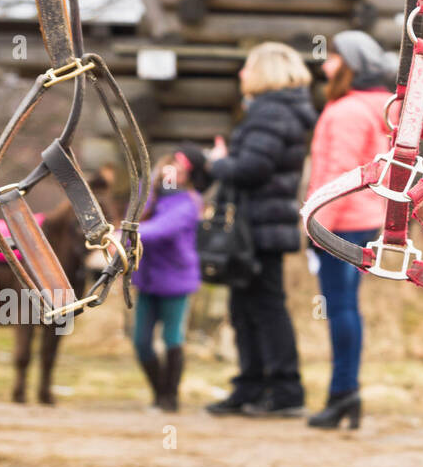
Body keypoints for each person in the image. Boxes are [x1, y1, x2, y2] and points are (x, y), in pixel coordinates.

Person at [204, 42, 317, 418]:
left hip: (258, 229)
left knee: (265, 308)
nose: (241, 74)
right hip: (262, 226)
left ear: (264, 72)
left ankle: (285, 391)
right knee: (245, 307)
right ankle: (251, 387)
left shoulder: (271, 113)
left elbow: (252, 169)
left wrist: (219, 162)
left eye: (247, 67)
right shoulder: (281, 111)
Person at [304, 31, 395, 430]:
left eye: (334, 57)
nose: (326, 65)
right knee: (347, 308)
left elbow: (338, 177)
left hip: (340, 225)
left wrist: (317, 230)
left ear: (352, 64)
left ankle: (343, 394)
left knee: (340, 309)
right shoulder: (385, 108)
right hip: (368, 221)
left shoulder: (346, 112)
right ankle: (345, 393)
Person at [130, 150, 202, 412]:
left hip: (176, 280)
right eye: (167, 170)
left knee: (172, 338)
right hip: (147, 279)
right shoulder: (148, 197)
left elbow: (162, 229)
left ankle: (169, 398)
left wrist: (121, 235)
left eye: (177, 171)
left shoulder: (188, 203)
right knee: (141, 341)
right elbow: (136, 218)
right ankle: (159, 392)